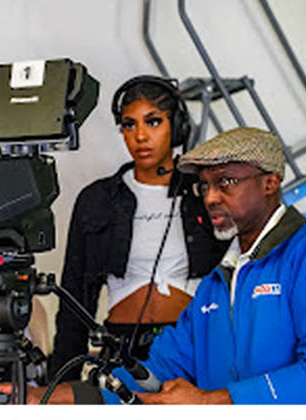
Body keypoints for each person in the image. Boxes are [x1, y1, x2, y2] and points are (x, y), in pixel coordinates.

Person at [47, 126, 306, 404]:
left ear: (270, 182)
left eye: (226, 182)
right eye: (204, 185)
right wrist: (69, 397)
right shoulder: (217, 282)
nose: (209, 197)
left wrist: (211, 401)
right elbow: (161, 368)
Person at [49, 76, 228, 382]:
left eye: (154, 122)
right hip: (122, 348)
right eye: (129, 125)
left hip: (194, 344)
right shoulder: (98, 200)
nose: (141, 136)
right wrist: (58, 384)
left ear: (178, 128)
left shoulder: (206, 194)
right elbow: (74, 298)